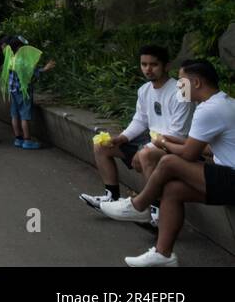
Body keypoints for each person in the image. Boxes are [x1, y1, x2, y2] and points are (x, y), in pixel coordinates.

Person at [99, 59, 235, 266]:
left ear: (196, 83)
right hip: (226, 174)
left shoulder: (208, 110)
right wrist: (174, 141)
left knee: (170, 162)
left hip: (231, 178)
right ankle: (163, 254)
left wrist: (163, 143)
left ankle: (139, 205)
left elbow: (189, 155)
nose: (178, 86)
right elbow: (208, 147)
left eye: (182, 81)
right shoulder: (224, 102)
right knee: (172, 190)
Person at [80, 44, 193, 213]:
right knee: (102, 146)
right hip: (153, 142)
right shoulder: (144, 90)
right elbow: (140, 120)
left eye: (153, 64)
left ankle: (156, 211)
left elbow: (179, 133)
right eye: (144, 64)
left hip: (176, 146)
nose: (148, 69)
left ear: (167, 66)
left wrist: (144, 149)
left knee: (147, 154)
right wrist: (121, 138)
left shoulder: (181, 91)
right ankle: (111, 196)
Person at [0, 35, 55, 149]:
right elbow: (33, 72)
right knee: (25, 116)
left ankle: (18, 139)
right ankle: (27, 140)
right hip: (23, 92)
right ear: (19, 48)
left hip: (13, 91)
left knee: (14, 115)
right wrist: (46, 68)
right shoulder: (22, 62)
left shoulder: (10, 58)